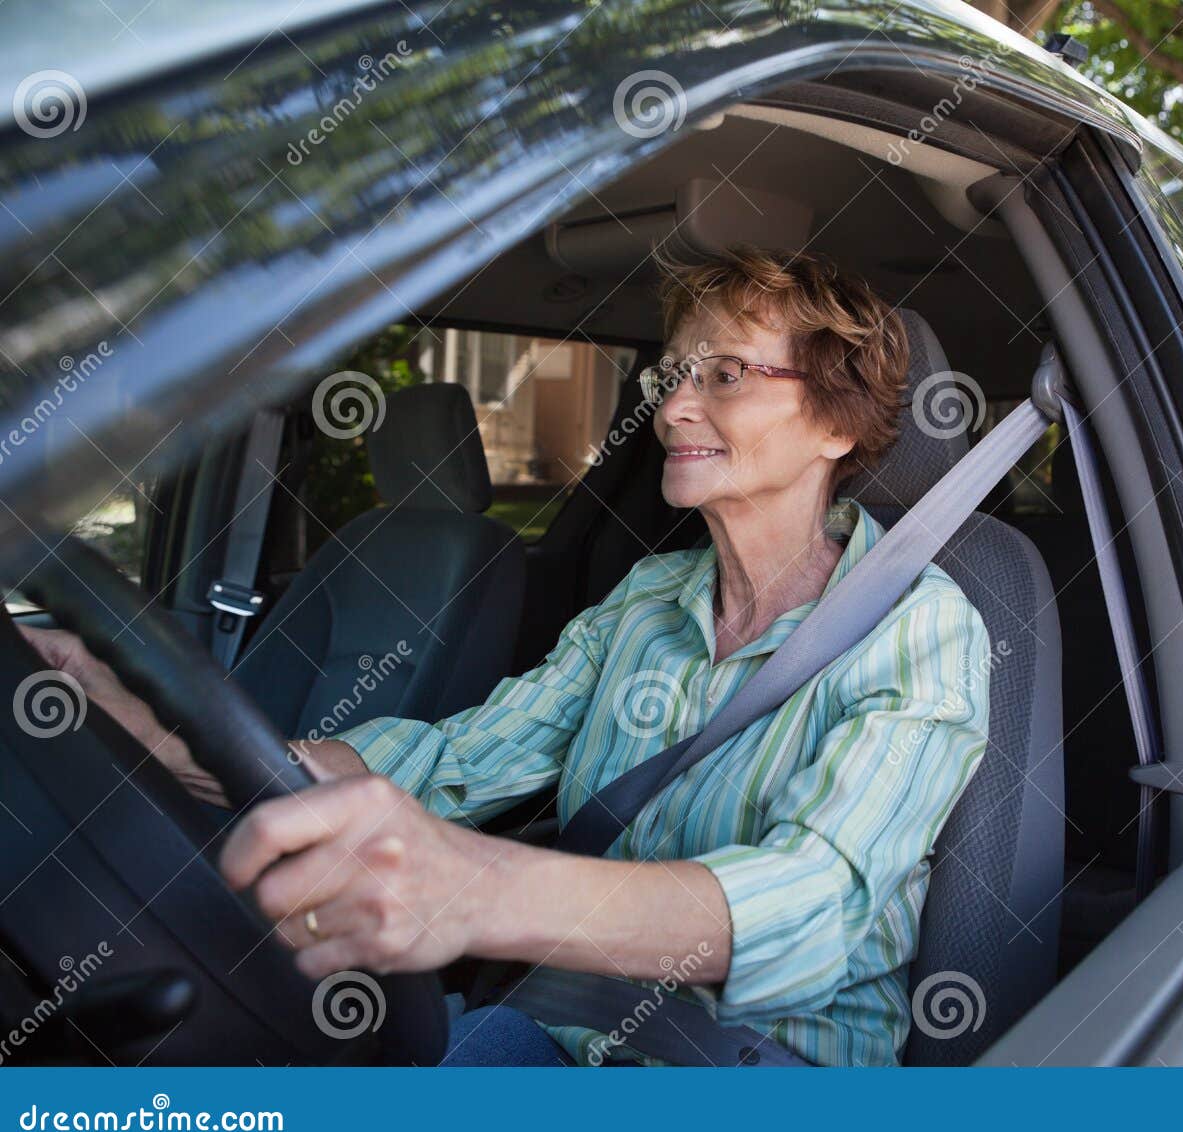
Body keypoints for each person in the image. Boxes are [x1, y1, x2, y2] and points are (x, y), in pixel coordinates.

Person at [22, 246, 992, 1066]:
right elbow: (451, 761)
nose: (672, 408)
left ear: (837, 420)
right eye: (671, 375)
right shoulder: (649, 600)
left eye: (725, 373)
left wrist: (473, 890)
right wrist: (150, 723)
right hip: (571, 1031)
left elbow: (813, 902)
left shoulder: (921, 629)